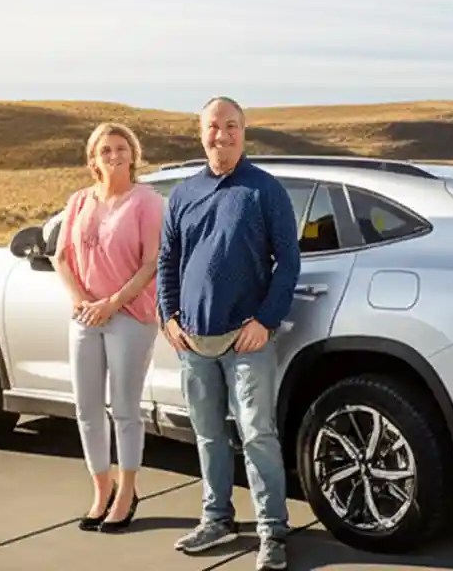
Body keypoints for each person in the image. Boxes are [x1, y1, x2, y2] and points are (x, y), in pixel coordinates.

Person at [157, 96, 300, 571]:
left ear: (245, 131)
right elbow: (167, 263)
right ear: (201, 133)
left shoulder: (265, 190)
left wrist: (266, 321)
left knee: (257, 434)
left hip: (246, 338)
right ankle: (216, 519)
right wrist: (169, 317)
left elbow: (289, 262)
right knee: (208, 435)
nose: (223, 134)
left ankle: (272, 532)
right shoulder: (182, 194)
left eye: (232, 126)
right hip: (193, 340)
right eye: (214, 126)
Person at [51, 122, 164, 533]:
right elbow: (61, 257)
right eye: (105, 150)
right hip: (84, 316)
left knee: (125, 409)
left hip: (130, 317)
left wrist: (111, 303)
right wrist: (82, 301)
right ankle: (101, 488)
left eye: (121, 148)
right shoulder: (79, 201)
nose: (114, 155)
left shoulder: (148, 202)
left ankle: (128, 491)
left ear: (133, 155)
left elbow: (151, 263)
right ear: (92, 160)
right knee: (86, 409)